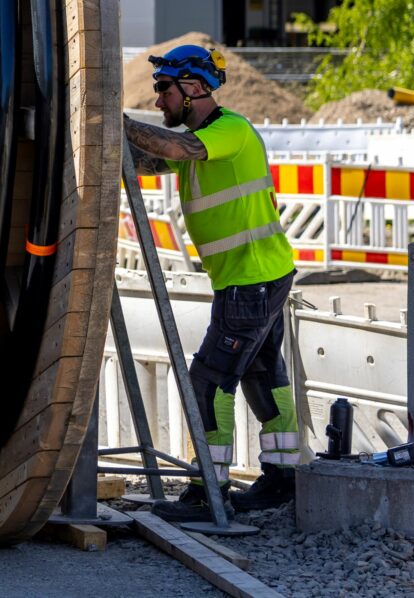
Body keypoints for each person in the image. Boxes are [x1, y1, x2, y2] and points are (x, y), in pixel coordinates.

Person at [125, 43, 300, 517]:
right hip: (256, 277)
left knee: (207, 381)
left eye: (164, 90)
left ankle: (210, 491)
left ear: (196, 87)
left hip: (251, 281)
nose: (159, 100)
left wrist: (111, 117)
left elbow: (172, 147)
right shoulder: (202, 143)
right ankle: (284, 478)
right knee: (264, 375)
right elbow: (148, 160)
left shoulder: (227, 132)